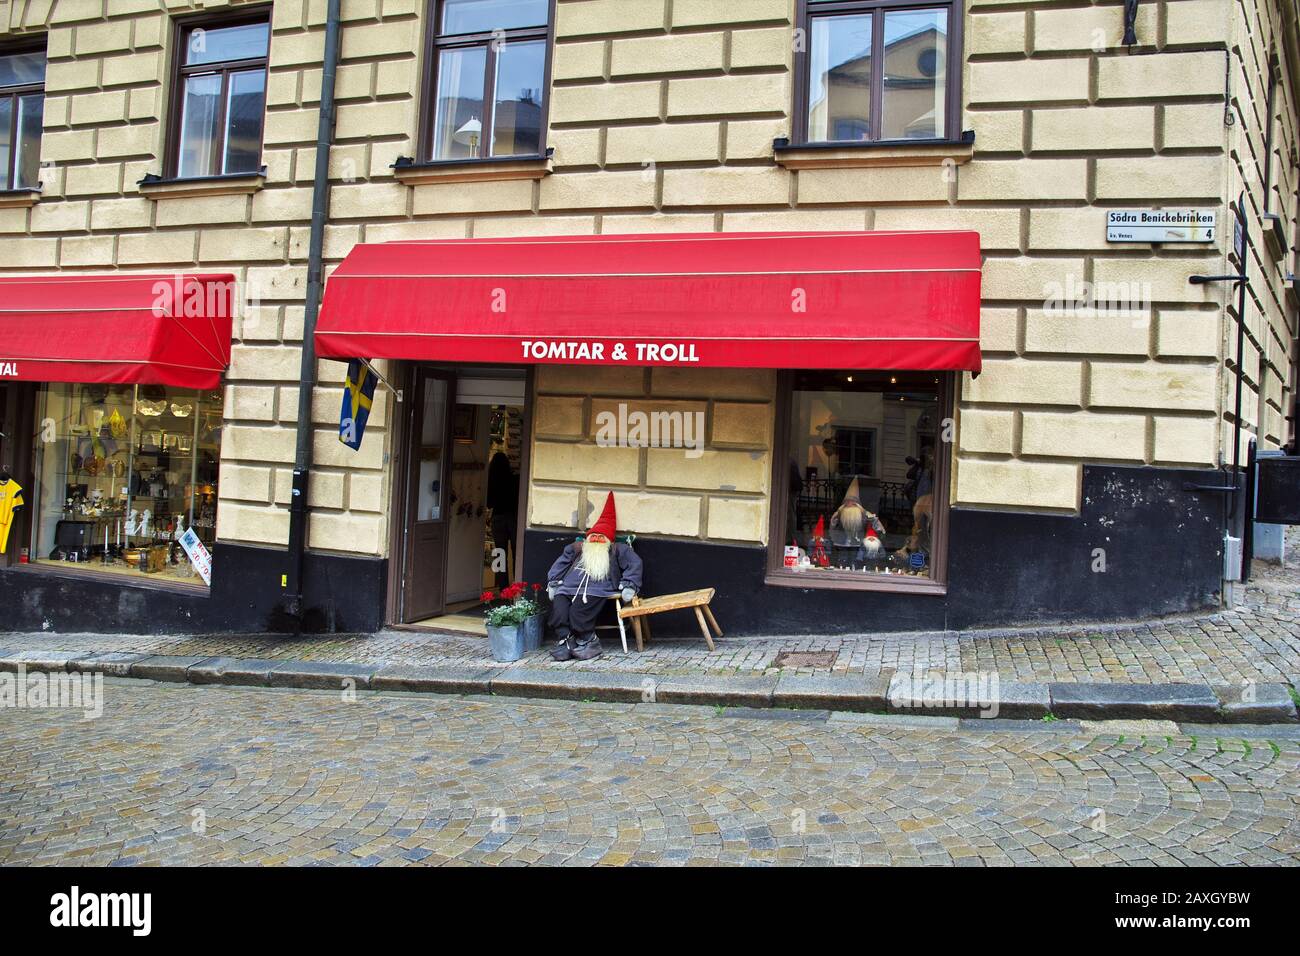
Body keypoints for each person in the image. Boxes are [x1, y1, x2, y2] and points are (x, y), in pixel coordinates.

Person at [545, 492, 642, 661]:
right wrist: (553, 582)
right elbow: (560, 563)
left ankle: (589, 641)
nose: (596, 539)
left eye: (600, 537)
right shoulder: (577, 548)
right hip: (567, 587)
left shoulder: (617, 549)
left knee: (578, 612)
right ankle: (566, 642)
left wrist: (629, 584)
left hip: (597, 588)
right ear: (587, 538)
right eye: (593, 536)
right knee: (559, 609)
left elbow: (634, 564)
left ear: (608, 540)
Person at [486, 451, 518, 589]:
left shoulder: (491, 480)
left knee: (499, 553)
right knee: (517, 552)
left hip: (498, 518)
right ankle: (518, 582)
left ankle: (502, 586)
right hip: (513, 518)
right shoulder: (515, 479)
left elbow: (489, 503)